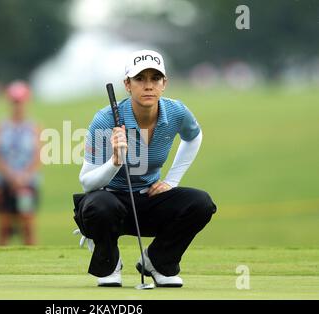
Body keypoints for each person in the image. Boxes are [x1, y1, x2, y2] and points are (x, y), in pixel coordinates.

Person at [73, 50, 217, 287]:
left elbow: (194, 137)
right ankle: (109, 262)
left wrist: (171, 181)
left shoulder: (176, 112)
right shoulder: (105, 120)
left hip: (150, 199)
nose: (148, 86)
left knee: (201, 203)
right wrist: (115, 162)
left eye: (155, 79)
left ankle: (158, 261)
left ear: (164, 84)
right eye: (140, 79)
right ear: (127, 85)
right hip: (110, 204)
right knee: (100, 206)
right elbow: (87, 182)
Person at [0, 81, 41, 245]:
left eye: (20, 101)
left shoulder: (34, 127)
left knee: (28, 227)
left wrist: (23, 177)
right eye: (14, 101)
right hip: (4, 183)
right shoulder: (0, 126)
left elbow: (38, 157)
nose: (17, 105)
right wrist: (11, 176)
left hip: (27, 183)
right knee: (3, 228)